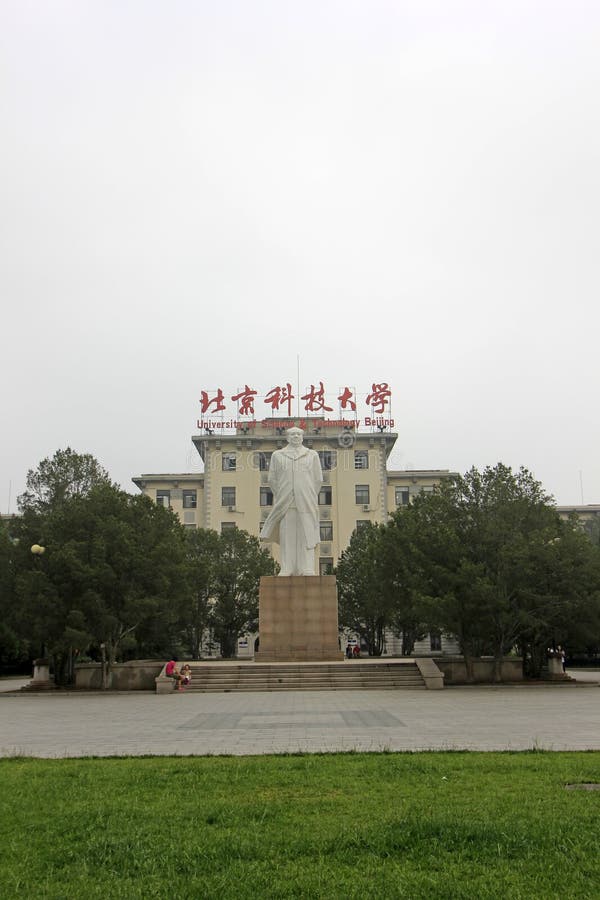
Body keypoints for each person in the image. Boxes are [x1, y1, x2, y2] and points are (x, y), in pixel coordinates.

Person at [260, 427, 323, 576]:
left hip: (306, 502)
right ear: (287, 438)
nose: (296, 436)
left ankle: (307, 568)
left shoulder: (312, 455)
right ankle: (287, 568)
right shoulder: (278, 455)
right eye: (293, 434)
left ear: (303, 437)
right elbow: (272, 479)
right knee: (287, 537)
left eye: (299, 434)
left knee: (306, 535)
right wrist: (283, 493)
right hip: (286, 503)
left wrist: (307, 493)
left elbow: (318, 479)